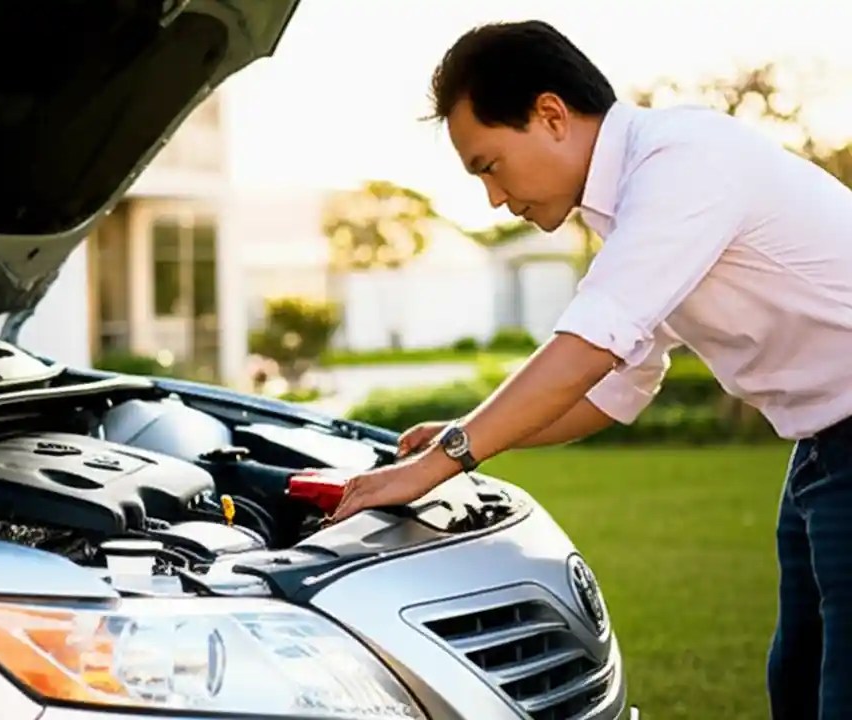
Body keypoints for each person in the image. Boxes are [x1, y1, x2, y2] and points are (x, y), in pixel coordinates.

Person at [316, 19, 852, 719]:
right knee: (801, 686)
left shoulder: (683, 164)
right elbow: (616, 387)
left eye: (488, 166)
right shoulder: (638, 205)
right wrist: (466, 435)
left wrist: (439, 463)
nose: (495, 199)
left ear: (550, 115)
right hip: (822, 449)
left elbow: (588, 344)